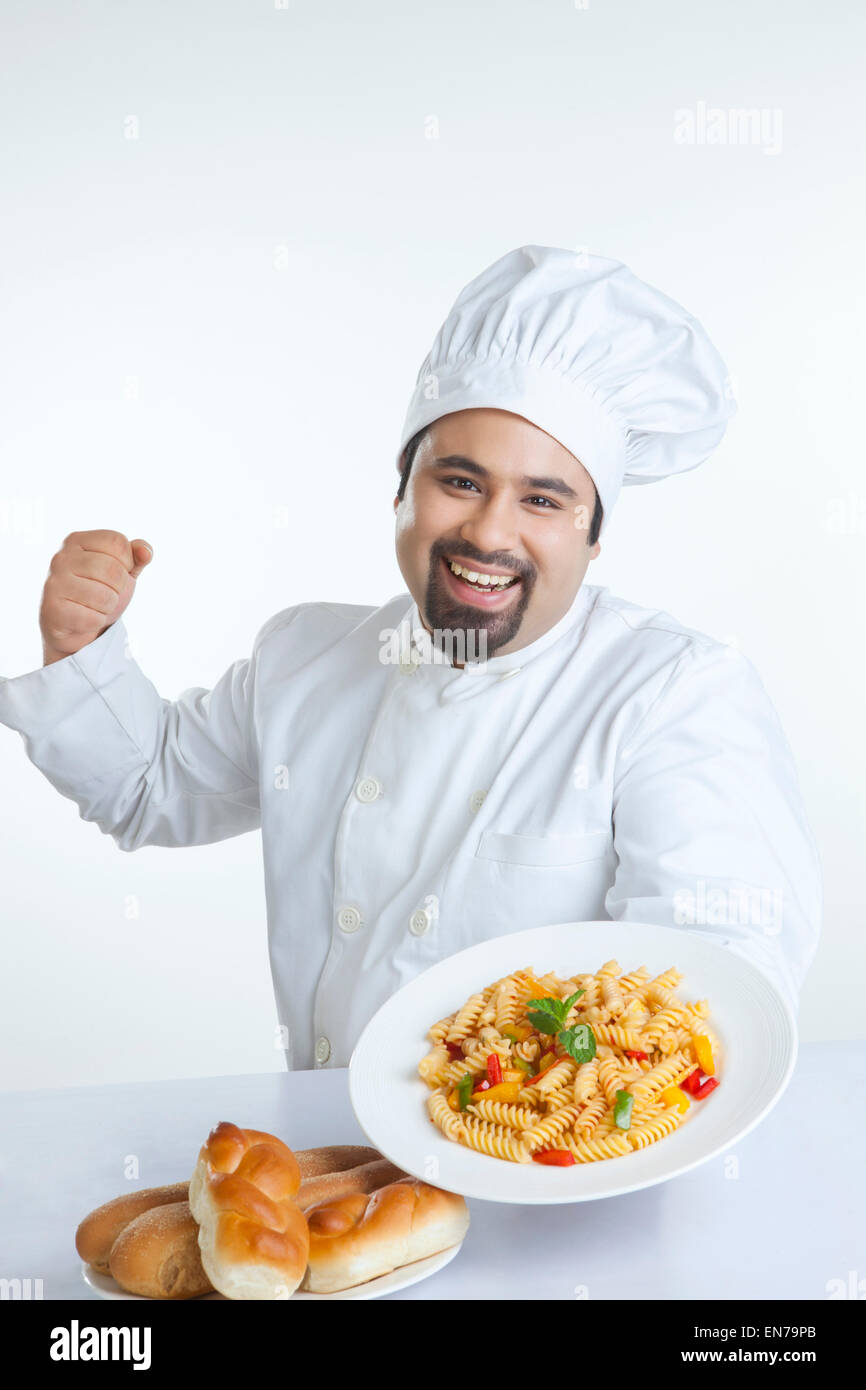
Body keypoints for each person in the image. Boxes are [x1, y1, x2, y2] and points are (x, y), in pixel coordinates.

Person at [0, 245, 822, 1069]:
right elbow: (150, 789)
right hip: (333, 1173)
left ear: (593, 535)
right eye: (460, 483)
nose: (491, 533)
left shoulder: (674, 695)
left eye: (543, 499)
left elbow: (714, 987)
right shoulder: (306, 660)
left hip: (555, 1180)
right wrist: (81, 645)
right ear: (402, 488)